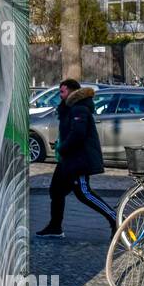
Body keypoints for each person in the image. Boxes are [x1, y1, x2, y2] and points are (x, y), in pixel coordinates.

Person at [36, 78, 116, 239]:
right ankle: (55, 226)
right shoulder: (69, 108)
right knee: (56, 190)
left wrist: (63, 146)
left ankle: (116, 218)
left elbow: (78, 134)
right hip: (68, 159)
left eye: (62, 92)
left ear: (72, 92)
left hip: (78, 159)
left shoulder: (79, 109)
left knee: (84, 192)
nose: (60, 95)